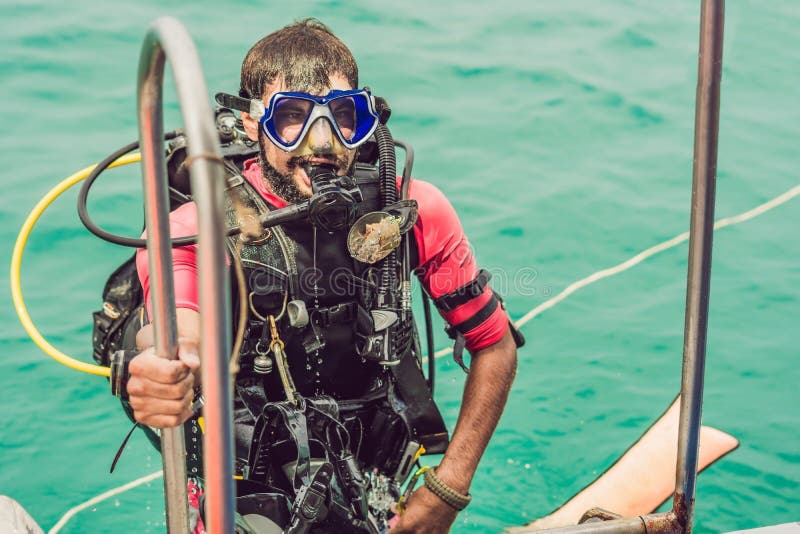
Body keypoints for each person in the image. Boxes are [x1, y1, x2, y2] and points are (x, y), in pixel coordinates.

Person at [122, 18, 520, 533]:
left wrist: (447, 490)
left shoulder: (412, 210)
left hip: (371, 472)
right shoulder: (194, 230)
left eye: (343, 116)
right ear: (249, 125)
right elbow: (179, 328)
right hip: (246, 481)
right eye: (292, 117)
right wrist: (165, 367)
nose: (323, 141)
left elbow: (494, 343)